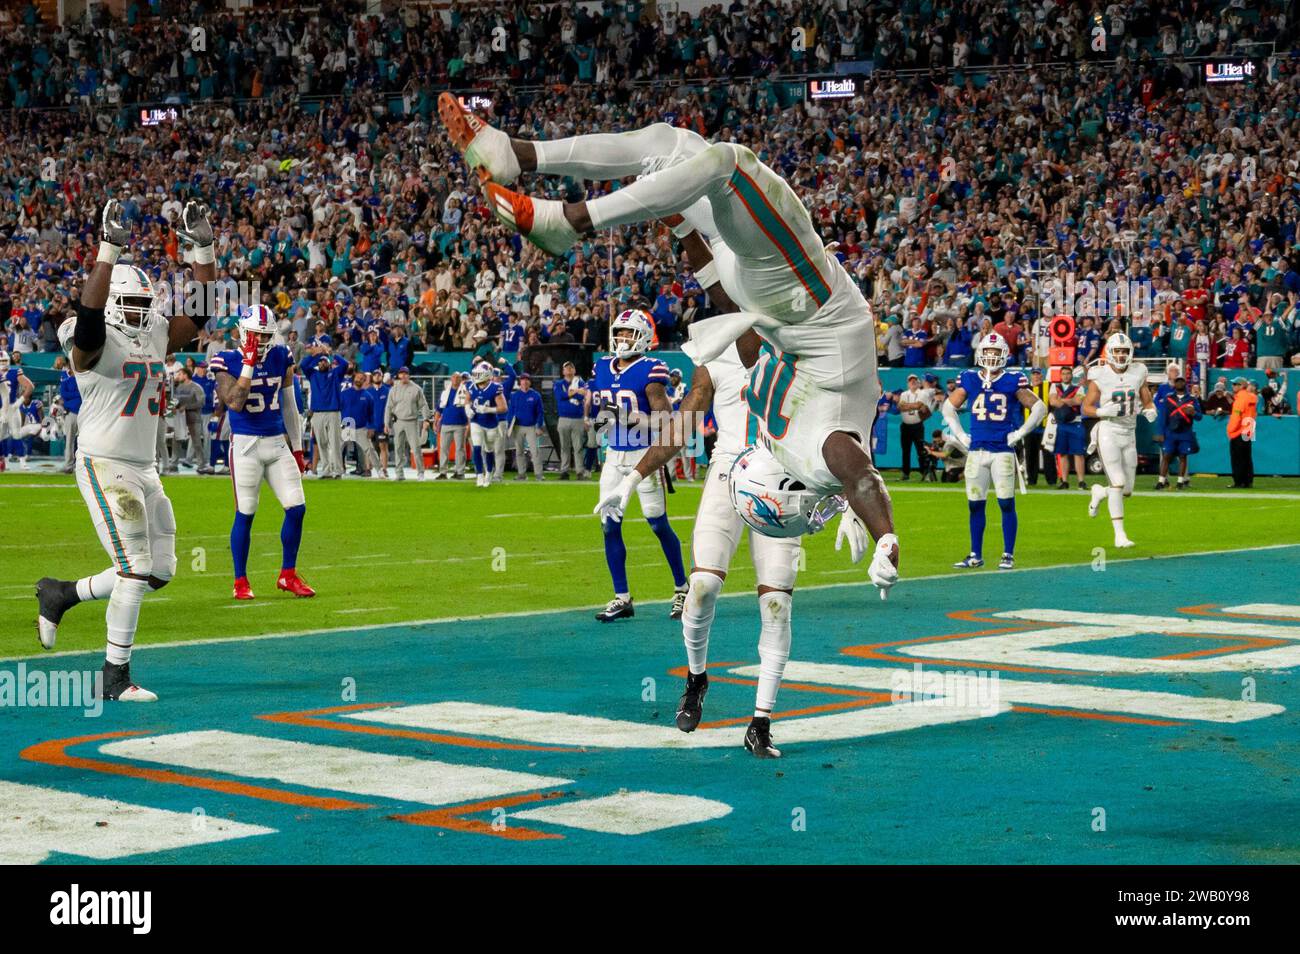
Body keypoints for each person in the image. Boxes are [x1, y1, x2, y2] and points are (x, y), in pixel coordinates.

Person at [441, 100, 898, 593]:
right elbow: (855, 473)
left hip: (801, 297)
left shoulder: (810, 450)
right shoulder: (798, 448)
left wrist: (884, 534)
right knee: (672, 147)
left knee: (727, 161)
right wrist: (874, 527)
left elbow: (858, 474)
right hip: (768, 294)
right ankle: (514, 153)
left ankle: (568, 219)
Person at [33, 199, 214, 700]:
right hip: (104, 463)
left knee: (161, 569)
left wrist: (203, 249)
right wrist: (108, 250)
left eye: (143, 304)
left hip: (145, 467)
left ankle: (62, 594)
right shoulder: (90, 340)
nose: (138, 313)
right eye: (128, 304)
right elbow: (89, 321)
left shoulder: (153, 331)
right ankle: (114, 677)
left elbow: (200, 313)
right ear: (110, 302)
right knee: (134, 565)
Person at [594, 335, 801, 758]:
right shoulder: (717, 350)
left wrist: (850, 497)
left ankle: (761, 722)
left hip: (784, 477)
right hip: (729, 468)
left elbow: (837, 421)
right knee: (702, 587)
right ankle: (696, 677)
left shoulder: (801, 342)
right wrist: (633, 477)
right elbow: (683, 423)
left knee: (777, 604)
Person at [588, 309, 689, 622]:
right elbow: (599, 410)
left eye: (628, 333)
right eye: (619, 332)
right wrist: (599, 421)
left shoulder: (651, 368)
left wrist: (626, 417)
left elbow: (663, 420)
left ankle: (682, 588)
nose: (622, 338)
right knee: (609, 525)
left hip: (644, 455)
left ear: (643, 337)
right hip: (613, 455)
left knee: (657, 523)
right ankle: (622, 598)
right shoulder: (602, 366)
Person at [210, 304, 314, 601]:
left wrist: (298, 449)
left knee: (297, 508)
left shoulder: (282, 355)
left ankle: (288, 574)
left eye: (266, 335)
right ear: (243, 332)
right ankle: (240, 580)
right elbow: (235, 402)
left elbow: (290, 404)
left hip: (277, 443)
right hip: (246, 446)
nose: (261, 340)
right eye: (256, 334)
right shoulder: (226, 360)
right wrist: (248, 364)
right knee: (246, 512)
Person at [942, 333, 1047, 570]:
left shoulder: (1012, 379)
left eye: (995, 352)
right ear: (980, 353)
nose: (991, 356)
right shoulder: (969, 378)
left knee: (1006, 502)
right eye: (987, 352)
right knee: (974, 504)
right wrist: (961, 435)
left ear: (1004, 355)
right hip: (976, 451)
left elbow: (1039, 408)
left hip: (1002, 451)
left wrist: (1019, 433)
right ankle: (975, 555)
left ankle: (1008, 554)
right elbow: (948, 408)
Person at [1082, 332, 1156, 548]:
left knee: (1127, 490)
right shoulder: (1100, 374)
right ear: (1110, 352)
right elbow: (1086, 407)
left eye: (1124, 351)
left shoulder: (1138, 371)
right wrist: (1102, 411)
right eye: (1117, 351)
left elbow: (1146, 398)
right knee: (1117, 482)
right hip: (1108, 430)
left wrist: (1150, 409)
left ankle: (1099, 492)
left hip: (1129, 432)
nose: (1121, 355)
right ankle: (1119, 535)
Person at [1154, 371, 1202, 490]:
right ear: (1174, 384)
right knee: (1166, 455)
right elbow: (1162, 416)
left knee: (1183, 456)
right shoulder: (1168, 398)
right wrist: (1160, 432)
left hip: (1185, 431)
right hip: (1170, 431)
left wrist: (1193, 413)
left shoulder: (1192, 399)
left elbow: (1199, 416)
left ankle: (1180, 482)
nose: (1180, 383)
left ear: (1185, 383)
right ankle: (1161, 481)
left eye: (1182, 381)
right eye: (1177, 381)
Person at [304, 349, 347, 478]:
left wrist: (332, 354)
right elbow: (303, 365)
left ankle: (338, 471)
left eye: (325, 361)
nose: (322, 363)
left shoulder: (335, 374)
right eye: (320, 361)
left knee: (335, 443)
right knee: (321, 443)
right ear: (317, 364)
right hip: (317, 413)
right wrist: (315, 354)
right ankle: (326, 471)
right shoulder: (313, 374)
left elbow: (345, 364)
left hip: (333, 412)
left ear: (329, 363)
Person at [465, 361, 507, 487]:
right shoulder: (471, 386)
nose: (476, 376)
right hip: (476, 421)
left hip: (491, 423)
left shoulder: (495, 387)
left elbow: (503, 408)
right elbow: (467, 400)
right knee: (477, 448)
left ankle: (488, 473)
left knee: (489, 450)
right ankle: (479, 475)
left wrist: (488, 409)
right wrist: (467, 408)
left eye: (479, 374)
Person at [385, 366, 430, 481]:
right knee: (398, 448)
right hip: (398, 421)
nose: (403, 376)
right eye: (401, 374)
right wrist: (386, 423)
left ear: (409, 375)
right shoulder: (394, 389)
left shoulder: (416, 388)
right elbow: (389, 407)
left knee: (416, 448)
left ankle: (420, 473)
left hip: (412, 421)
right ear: (399, 375)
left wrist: (426, 419)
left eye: (406, 374)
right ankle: (399, 474)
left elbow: (423, 405)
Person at [1048, 365, 1088, 490]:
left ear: (1071, 375)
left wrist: (1061, 400)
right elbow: (1052, 402)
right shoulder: (1054, 386)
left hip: (1075, 423)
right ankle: (1064, 481)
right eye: (1063, 374)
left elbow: (1078, 401)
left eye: (1068, 374)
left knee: (1078, 453)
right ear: (1060, 375)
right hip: (1061, 423)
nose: (1066, 376)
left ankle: (1081, 481)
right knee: (1062, 453)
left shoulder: (1079, 387)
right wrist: (1070, 400)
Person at [553, 361, 589, 479]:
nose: (569, 370)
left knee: (578, 447)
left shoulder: (580, 382)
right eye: (567, 368)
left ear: (574, 370)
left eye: (571, 368)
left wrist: (570, 393)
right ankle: (564, 471)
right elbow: (560, 396)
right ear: (563, 371)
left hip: (577, 418)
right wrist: (576, 391)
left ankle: (580, 472)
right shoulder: (559, 383)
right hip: (563, 418)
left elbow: (582, 395)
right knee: (564, 447)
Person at [507, 372, 546, 480]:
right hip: (517, 427)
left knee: (535, 451)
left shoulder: (535, 395)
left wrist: (539, 426)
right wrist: (509, 426)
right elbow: (511, 411)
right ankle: (521, 474)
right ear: (520, 382)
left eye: (527, 380)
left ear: (530, 382)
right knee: (519, 451)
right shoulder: (514, 395)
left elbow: (540, 412)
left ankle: (538, 474)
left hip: (531, 427)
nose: (525, 382)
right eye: (523, 379)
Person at [896, 373, 932, 480]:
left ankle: (924, 473)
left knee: (920, 450)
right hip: (905, 426)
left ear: (918, 383)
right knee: (905, 451)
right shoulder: (904, 394)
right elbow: (900, 407)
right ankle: (905, 473)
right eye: (910, 381)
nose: (912, 382)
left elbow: (918, 405)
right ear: (908, 383)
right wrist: (914, 406)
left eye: (914, 381)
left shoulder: (922, 393)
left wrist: (908, 406)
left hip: (917, 425)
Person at [433, 371, 469, 479]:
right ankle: (443, 472)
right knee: (443, 448)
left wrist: (469, 424)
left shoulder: (466, 392)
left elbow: (469, 408)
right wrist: (435, 422)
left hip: (460, 424)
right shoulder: (445, 393)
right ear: (451, 379)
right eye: (453, 377)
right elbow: (439, 409)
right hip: (446, 424)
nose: (455, 379)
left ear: (461, 380)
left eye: (458, 377)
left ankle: (460, 472)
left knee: (460, 449)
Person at [1227, 376, 1257, 488]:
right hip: (1248, 430)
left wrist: (1230, 430)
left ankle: (1239, 481)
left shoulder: (1240, 399)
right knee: (1247, 457)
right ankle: (1248, 481)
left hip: (1239, 431)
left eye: (1235, 384)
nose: (1233, 386)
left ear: (1241, 386)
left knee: (1237, 458)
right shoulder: (1251, 398)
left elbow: (1236, 417)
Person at [56, 354, 81, 474]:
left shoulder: (82, 375)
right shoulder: (65, 376)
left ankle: (80, 465)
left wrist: (70, 397)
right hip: (71, 412)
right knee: (69, 441)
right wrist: (76, 395)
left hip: (83, 413)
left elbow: (83, 393)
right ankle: (68, 465)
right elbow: (64, 394)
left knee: (84, 441)